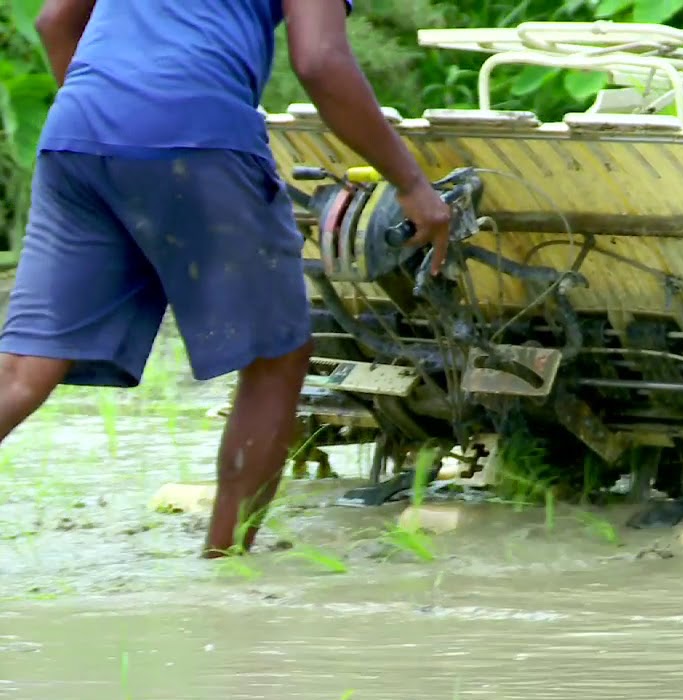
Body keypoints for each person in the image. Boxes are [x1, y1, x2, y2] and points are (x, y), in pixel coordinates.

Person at [0, 0, 451, 558]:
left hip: (79, 129)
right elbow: (319, 59)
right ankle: (225, 562)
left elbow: (54, 22)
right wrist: (410, 183)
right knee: (278, 356)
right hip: (196, 131)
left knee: (24, 369)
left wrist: (122, 128)